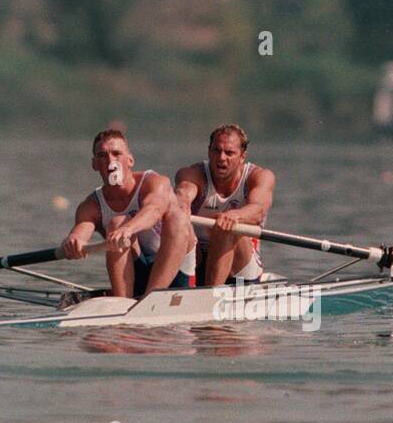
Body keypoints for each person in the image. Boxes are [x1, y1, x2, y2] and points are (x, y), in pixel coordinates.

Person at [60, 129, 196, 297]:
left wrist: (128, 228)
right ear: (94, 164)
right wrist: (74, 241)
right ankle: (123, 302)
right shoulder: (90, 206)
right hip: (138, 270)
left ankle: (151, 298)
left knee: (178, 219)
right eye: (103, 155)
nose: (111, 161)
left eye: (116, 154)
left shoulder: (155, 183)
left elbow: (153, 210)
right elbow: (81, 230)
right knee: (116, 223)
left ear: (130, 160)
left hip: (177, 271)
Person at [173, 124, 276, 287]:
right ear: (209, 151)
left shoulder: (259, 177)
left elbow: (258, 209)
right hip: (198, 261)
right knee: (180, 229)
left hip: (241, 273)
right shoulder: (192, 174)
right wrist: (181, 208)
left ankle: (209, 298)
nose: (221, 158)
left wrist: (235, 215)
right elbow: (183, 194)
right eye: (216, 151)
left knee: (226, 229)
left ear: (242, 156)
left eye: (229, 153)